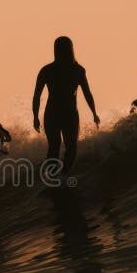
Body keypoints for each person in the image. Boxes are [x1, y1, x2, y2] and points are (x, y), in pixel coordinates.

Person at [33, 36, 100, 175]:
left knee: (71, 147)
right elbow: (37, 95)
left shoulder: (78, 70)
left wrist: (94, 113)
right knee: (55, 146)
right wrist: (35, 116)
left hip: (68, 115)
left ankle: (62, 175)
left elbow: (87, 93)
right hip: (55, 114)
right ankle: (52, 177)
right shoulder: (48, 70)